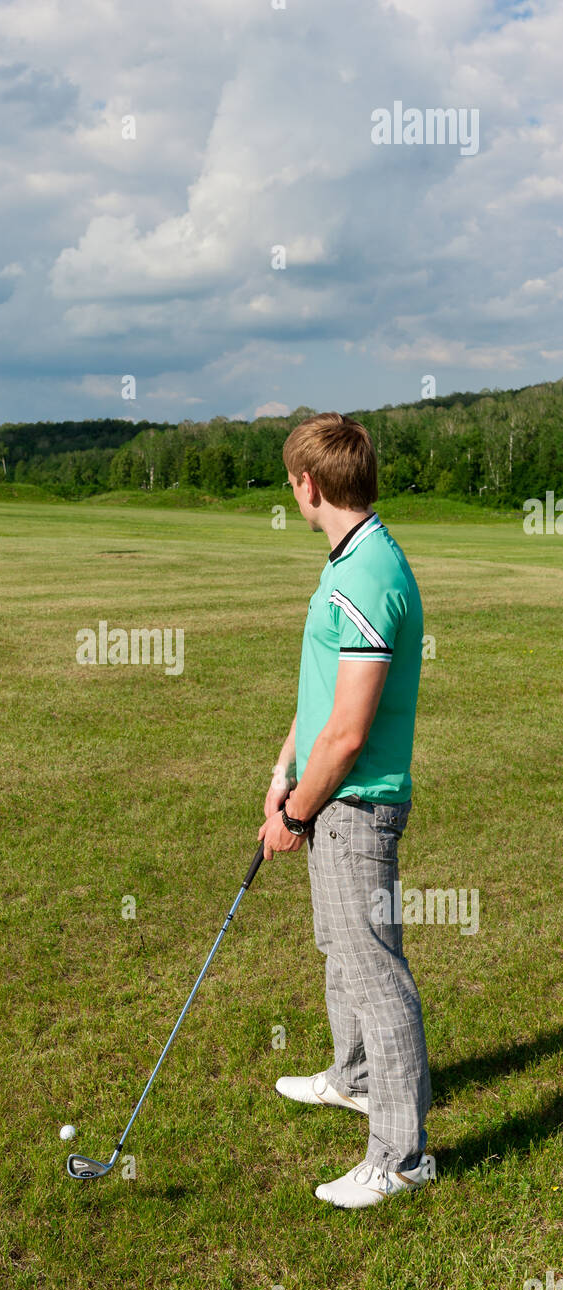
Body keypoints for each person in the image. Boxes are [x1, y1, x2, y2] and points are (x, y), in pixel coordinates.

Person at [258, 412, 432, 1209]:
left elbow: (353, 728)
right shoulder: (349, 560)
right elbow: (323, 696)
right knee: (339, 947)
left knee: (373, 970)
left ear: (309, 485)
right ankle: (354, 1077)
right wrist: (282, 772)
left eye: (291, 481)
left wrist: (294, 814)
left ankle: (400, 1156)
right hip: (328, 792)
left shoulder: (366, 576)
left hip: (356, 805)